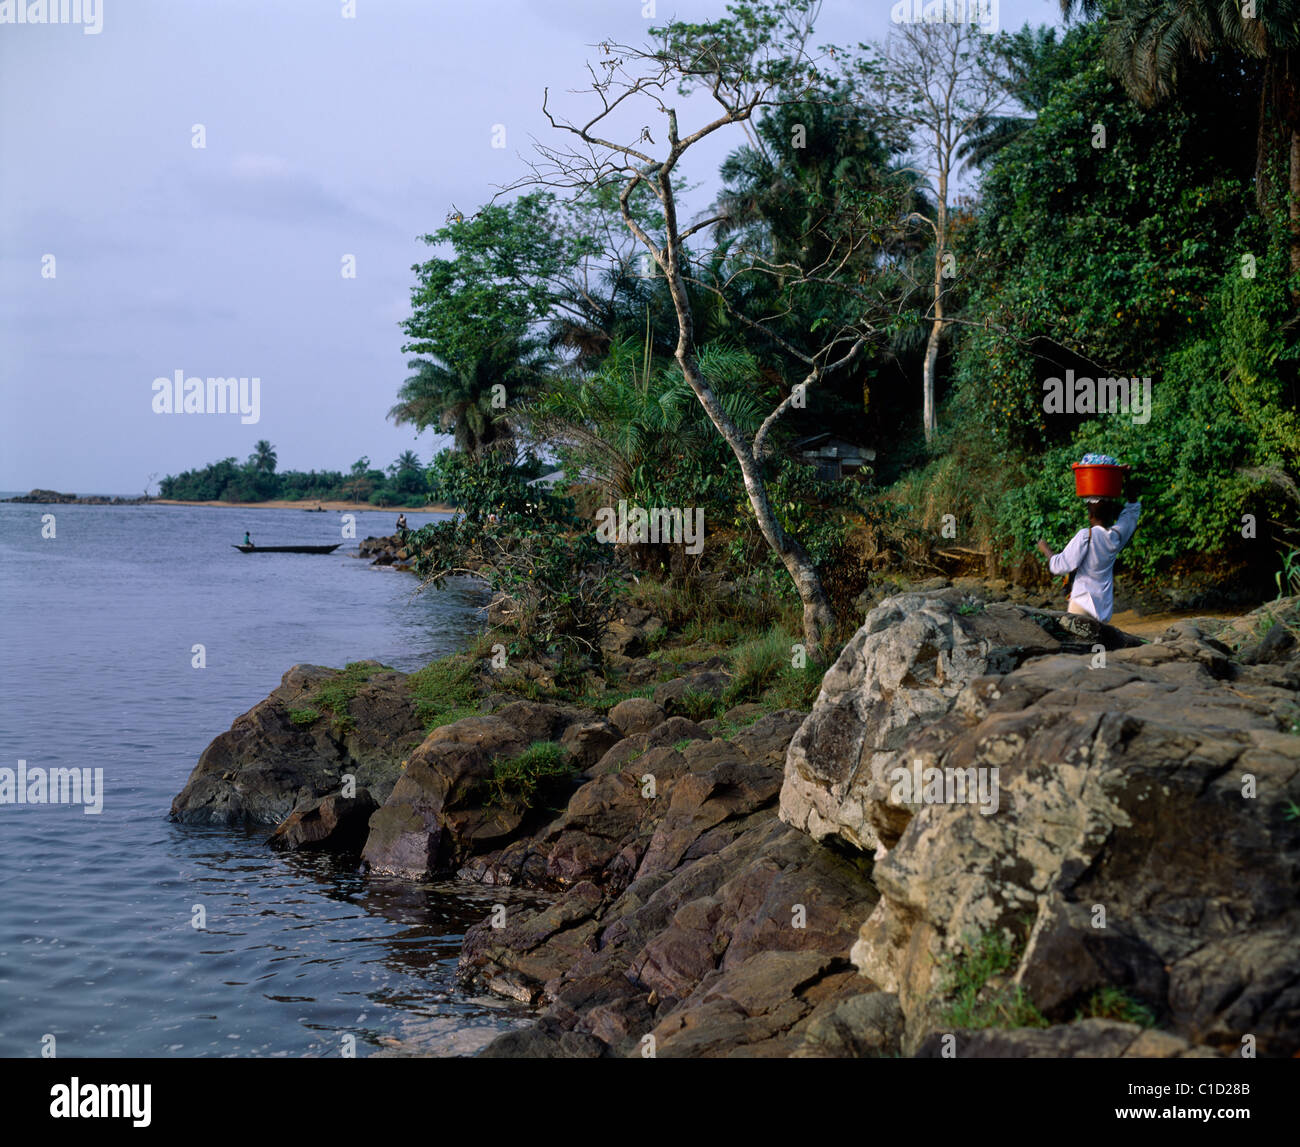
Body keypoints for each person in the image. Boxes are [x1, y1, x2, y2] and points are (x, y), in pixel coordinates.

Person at [1036, 471, 1141, 623]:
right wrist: (1126, 477)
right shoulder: (1117, 536)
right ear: (1111, 515)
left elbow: (1060, 566)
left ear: (1090, 516)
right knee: (1097, 646)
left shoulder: (1086, 536)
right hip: (1103, 608)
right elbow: (1133, 509)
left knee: (1076, 645)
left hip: (1081, 602)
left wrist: (1045, 549)